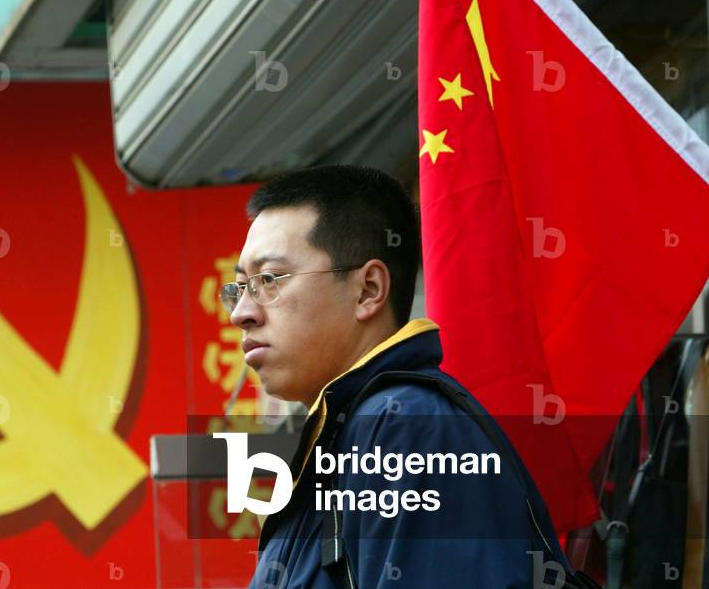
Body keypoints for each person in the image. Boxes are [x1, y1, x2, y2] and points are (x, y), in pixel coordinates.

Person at [221, 165, 575, 588]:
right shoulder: (347, 433)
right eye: (240, 287)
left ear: (368, 289)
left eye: (270, 279)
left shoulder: (404, 425)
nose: (241, 312)